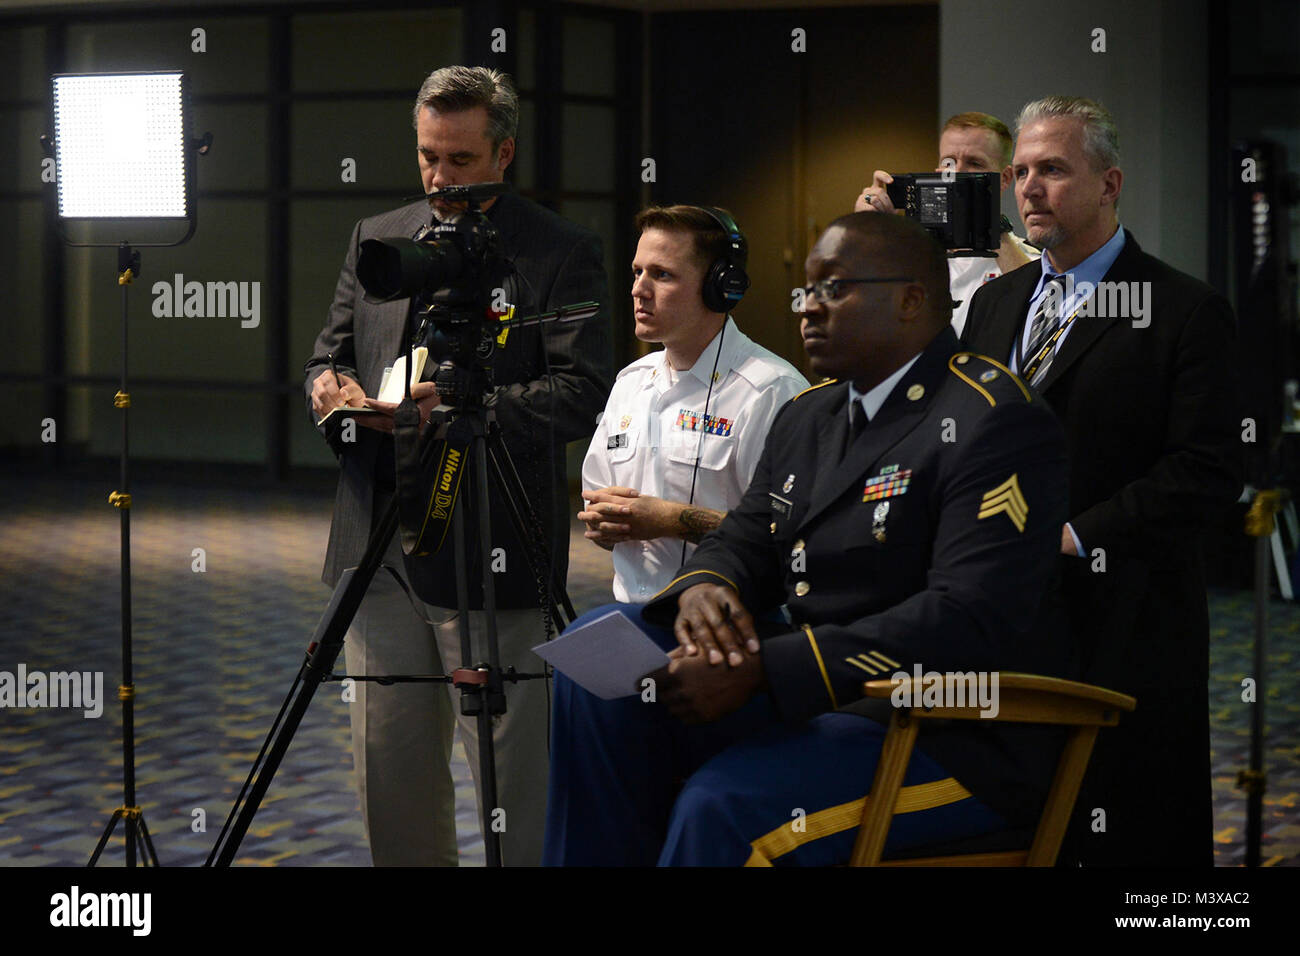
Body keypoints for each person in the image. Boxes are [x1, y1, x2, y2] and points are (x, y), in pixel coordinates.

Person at [543, 211, 1072, 866]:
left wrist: (766, 668)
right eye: (807, 290)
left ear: (911, 300)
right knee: (602, 660)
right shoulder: (812, 415)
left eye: (835, 289)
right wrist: (708, 588)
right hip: (816, 697)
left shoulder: (991, 419)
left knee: (722, 805)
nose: (808, 309)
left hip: (943, 731)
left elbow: (966, 618)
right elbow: (745, 540)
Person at [304, 65, 611, 866]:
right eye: (428, 158)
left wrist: (476, 407)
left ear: (504, 154)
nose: (441, 179)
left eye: (461, 161)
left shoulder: (558, 251)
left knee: (512, 781)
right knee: (390, 773)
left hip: (494, 540)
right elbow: (327, 352)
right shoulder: (380, 237)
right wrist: (327, 386)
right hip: (378, 544)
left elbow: (583, 392)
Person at [962, 95, 1242, 866]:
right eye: (1020, 171)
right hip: (1008, 619)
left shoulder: (1186, 310)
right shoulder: (993, 304)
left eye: (1053, 169)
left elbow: (1208, 469)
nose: (1028, 189)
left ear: (1109, 183)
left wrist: (1079, 535)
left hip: (1128, 619)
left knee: (1138, 833)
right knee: (1024, 826)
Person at [577, 205, 808, 605]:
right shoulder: (631, 383)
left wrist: (669, 520)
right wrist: (604, 523)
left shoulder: (771, 391)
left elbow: (790, 537)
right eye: (637, 272)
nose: (638, 289)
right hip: (629, 612)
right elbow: (596, 503)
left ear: (721, 287)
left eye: (661, 275)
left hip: (730, 621)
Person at [856, 112, 1039, 336]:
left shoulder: (1032, 261)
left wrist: (992, 228)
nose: (957, 172)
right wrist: (867, 231)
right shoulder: (911, 256)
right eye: (949, 162)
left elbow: (1035, 311)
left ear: (1005, 178)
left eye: (974, 163)